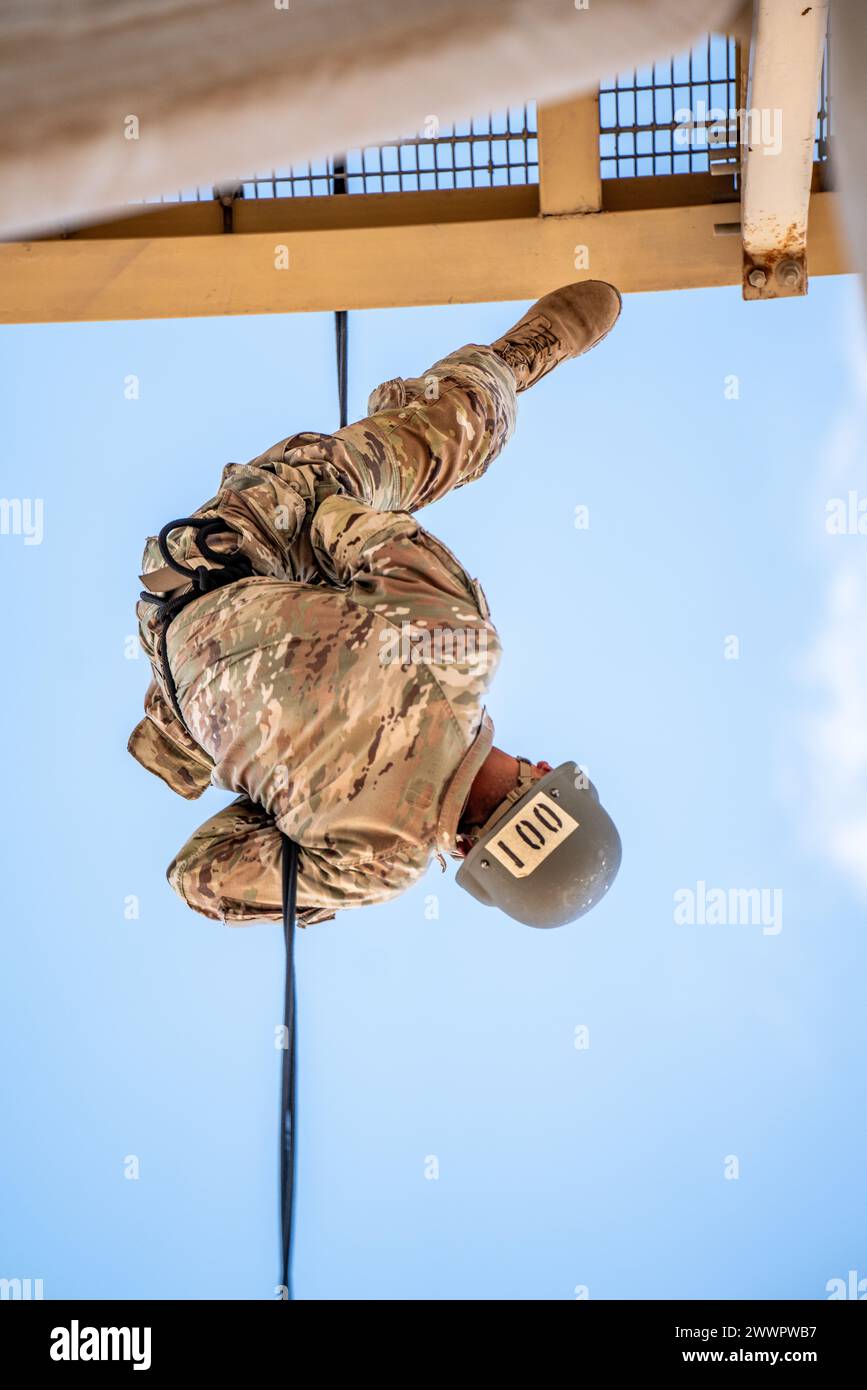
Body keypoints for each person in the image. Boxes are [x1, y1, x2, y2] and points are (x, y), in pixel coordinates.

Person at [130, 281, 623, 930]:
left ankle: (486, 381)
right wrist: (286, 791)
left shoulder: (462, 655)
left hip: (243, 540)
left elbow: (342, 523)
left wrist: (340, 632)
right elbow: (198, 877)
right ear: (473, 861)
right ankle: (185, 749)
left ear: (538, 772)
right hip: (170, 645)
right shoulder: (374, 870)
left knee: (449, 438)